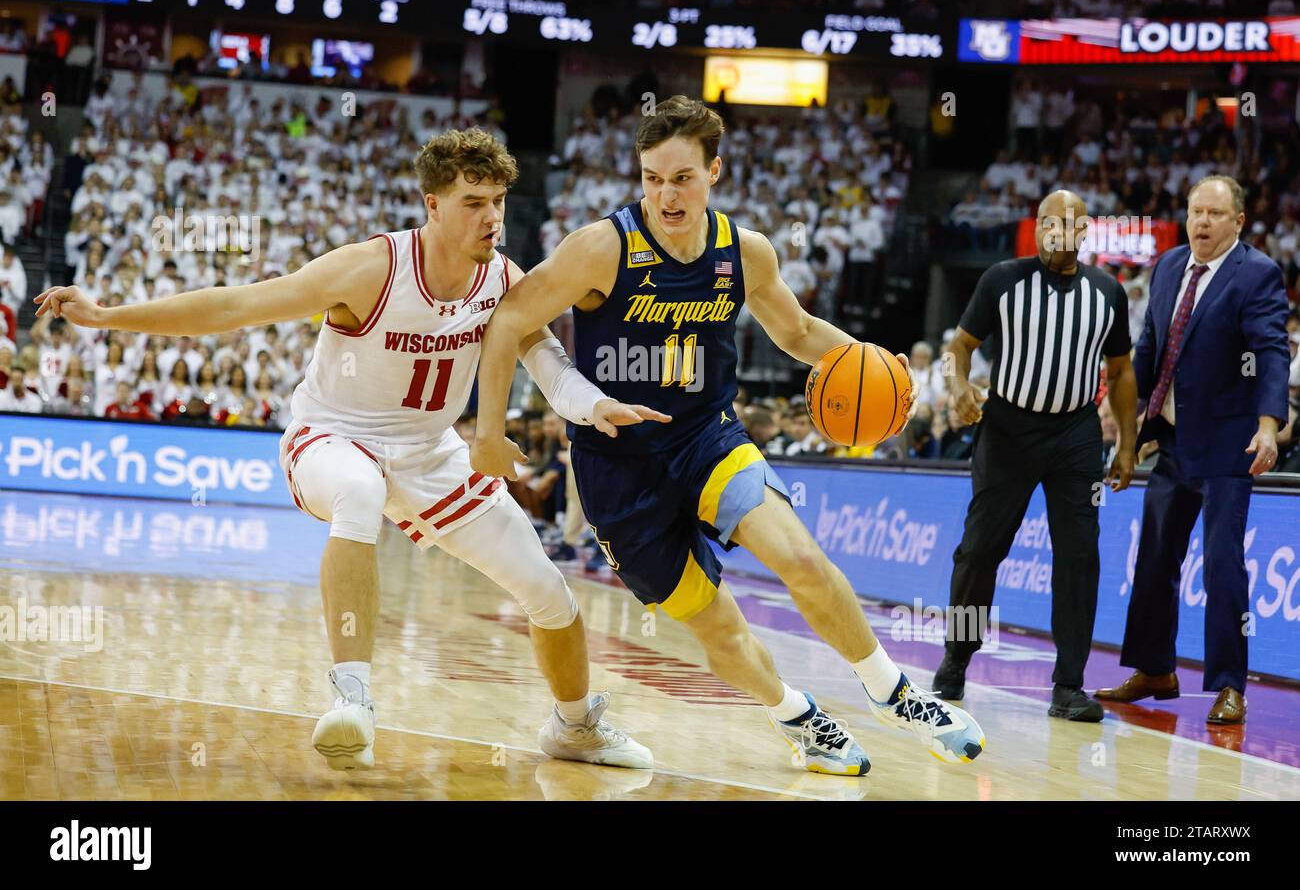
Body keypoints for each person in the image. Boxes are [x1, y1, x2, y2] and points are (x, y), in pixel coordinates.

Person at [34, 128, 658, 773]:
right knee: (358, 492)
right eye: (473, 201)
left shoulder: (504, 277)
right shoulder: (371, 268)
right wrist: (110, 316)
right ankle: (353, 697)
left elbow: (548, 363)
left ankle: (576, 725)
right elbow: (239, 305)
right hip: (331, 435)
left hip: (429, 451)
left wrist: (593, 405)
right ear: (433, 205)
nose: (492, 217)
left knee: (547, 588)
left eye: (498, 200)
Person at [473, 96, 985, 776]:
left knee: (801, 560)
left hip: (707, 438)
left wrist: (875, 362)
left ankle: (895, 695)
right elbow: (508, 318)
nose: (665, 194)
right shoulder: (601, 247)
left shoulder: (743, 251)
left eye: (681, 177)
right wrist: (487, 431)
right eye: (652, 178)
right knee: (720, 629)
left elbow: (799, 334)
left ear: (714, 171)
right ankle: (796, 715)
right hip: (618, 472)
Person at [934, 190, 1138, 722]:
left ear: (1083, 230)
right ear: (1038, 227)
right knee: (979, 550)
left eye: (1067, 223)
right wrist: (957, 389)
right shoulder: (1002, 278)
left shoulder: (1108, 292)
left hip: (1076, 434)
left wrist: (1128, 444)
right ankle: (956, 660)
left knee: (1080, 557)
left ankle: (1068, 685)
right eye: (1048, 221)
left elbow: (1120, 371)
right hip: (1008, 429)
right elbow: (959, 347)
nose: (1057, 231)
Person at [1096, 175, 1291, 725]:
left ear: (1237, 222)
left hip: (1231, 442)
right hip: (1175, 439)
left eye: (1213, 213)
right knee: (1156, 557)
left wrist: (1269, 425)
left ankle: (1229, 684)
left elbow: (1272, 351)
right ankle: (1155, 669)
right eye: (1194, 211)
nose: (1201, 222)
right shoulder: (1168, 266)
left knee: (1223, 563)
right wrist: (1127, 422)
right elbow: (1151, 345)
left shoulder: (1257, 273)